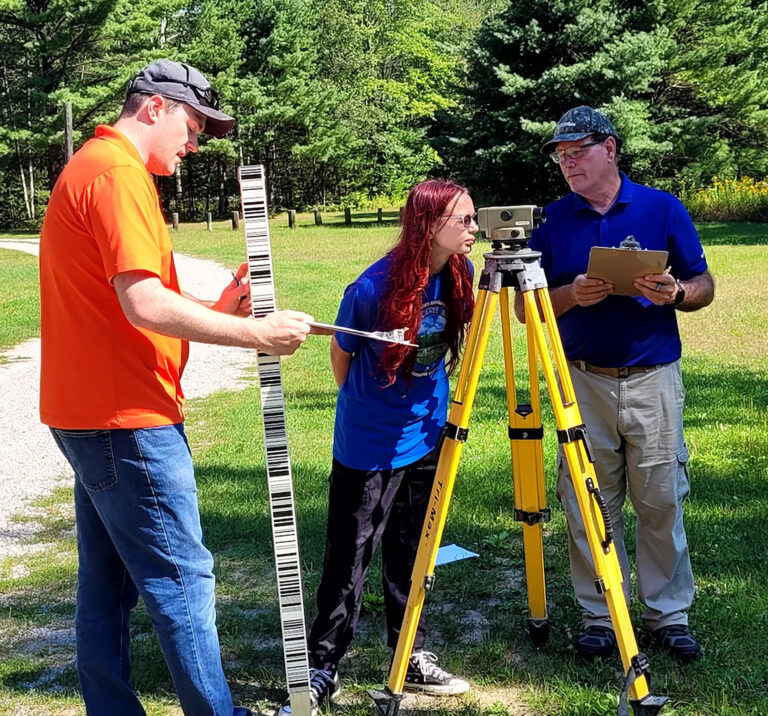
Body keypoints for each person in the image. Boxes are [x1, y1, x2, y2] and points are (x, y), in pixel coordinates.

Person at [39, 59, 313, 716]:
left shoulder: (97, 166)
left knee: (105, 588)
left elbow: (131, 303)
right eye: (192, 126)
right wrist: (259, 336)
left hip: (91, 414)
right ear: (156, 108)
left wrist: (220, 305)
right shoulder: (117, 174)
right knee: (182, 583)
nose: (194, 143)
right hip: (127, 421)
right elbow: (145, 305)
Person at [516, 106, 714, 665]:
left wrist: (675, 293)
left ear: (610, 148)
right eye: (560, 155)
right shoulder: (552, 221)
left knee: (660, 499)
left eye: (577, 151)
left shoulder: (662, 207)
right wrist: (568, 296)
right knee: (587, 503)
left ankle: (667, 615)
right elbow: (524, 309)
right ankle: (601, 615)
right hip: (582, 382)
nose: (567, 163)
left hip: (654, 380)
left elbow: (705, 284)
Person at [278, 179, 476, 715]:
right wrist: (373, 411)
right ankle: (323, 666)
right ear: (431, 225)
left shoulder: (461, 272)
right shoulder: (371, 289)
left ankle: (408, 651)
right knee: (349, 559)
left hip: (429, 435)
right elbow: (341, 360)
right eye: (466, 221)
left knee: (413, 554)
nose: (475, 230)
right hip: (368, 446)